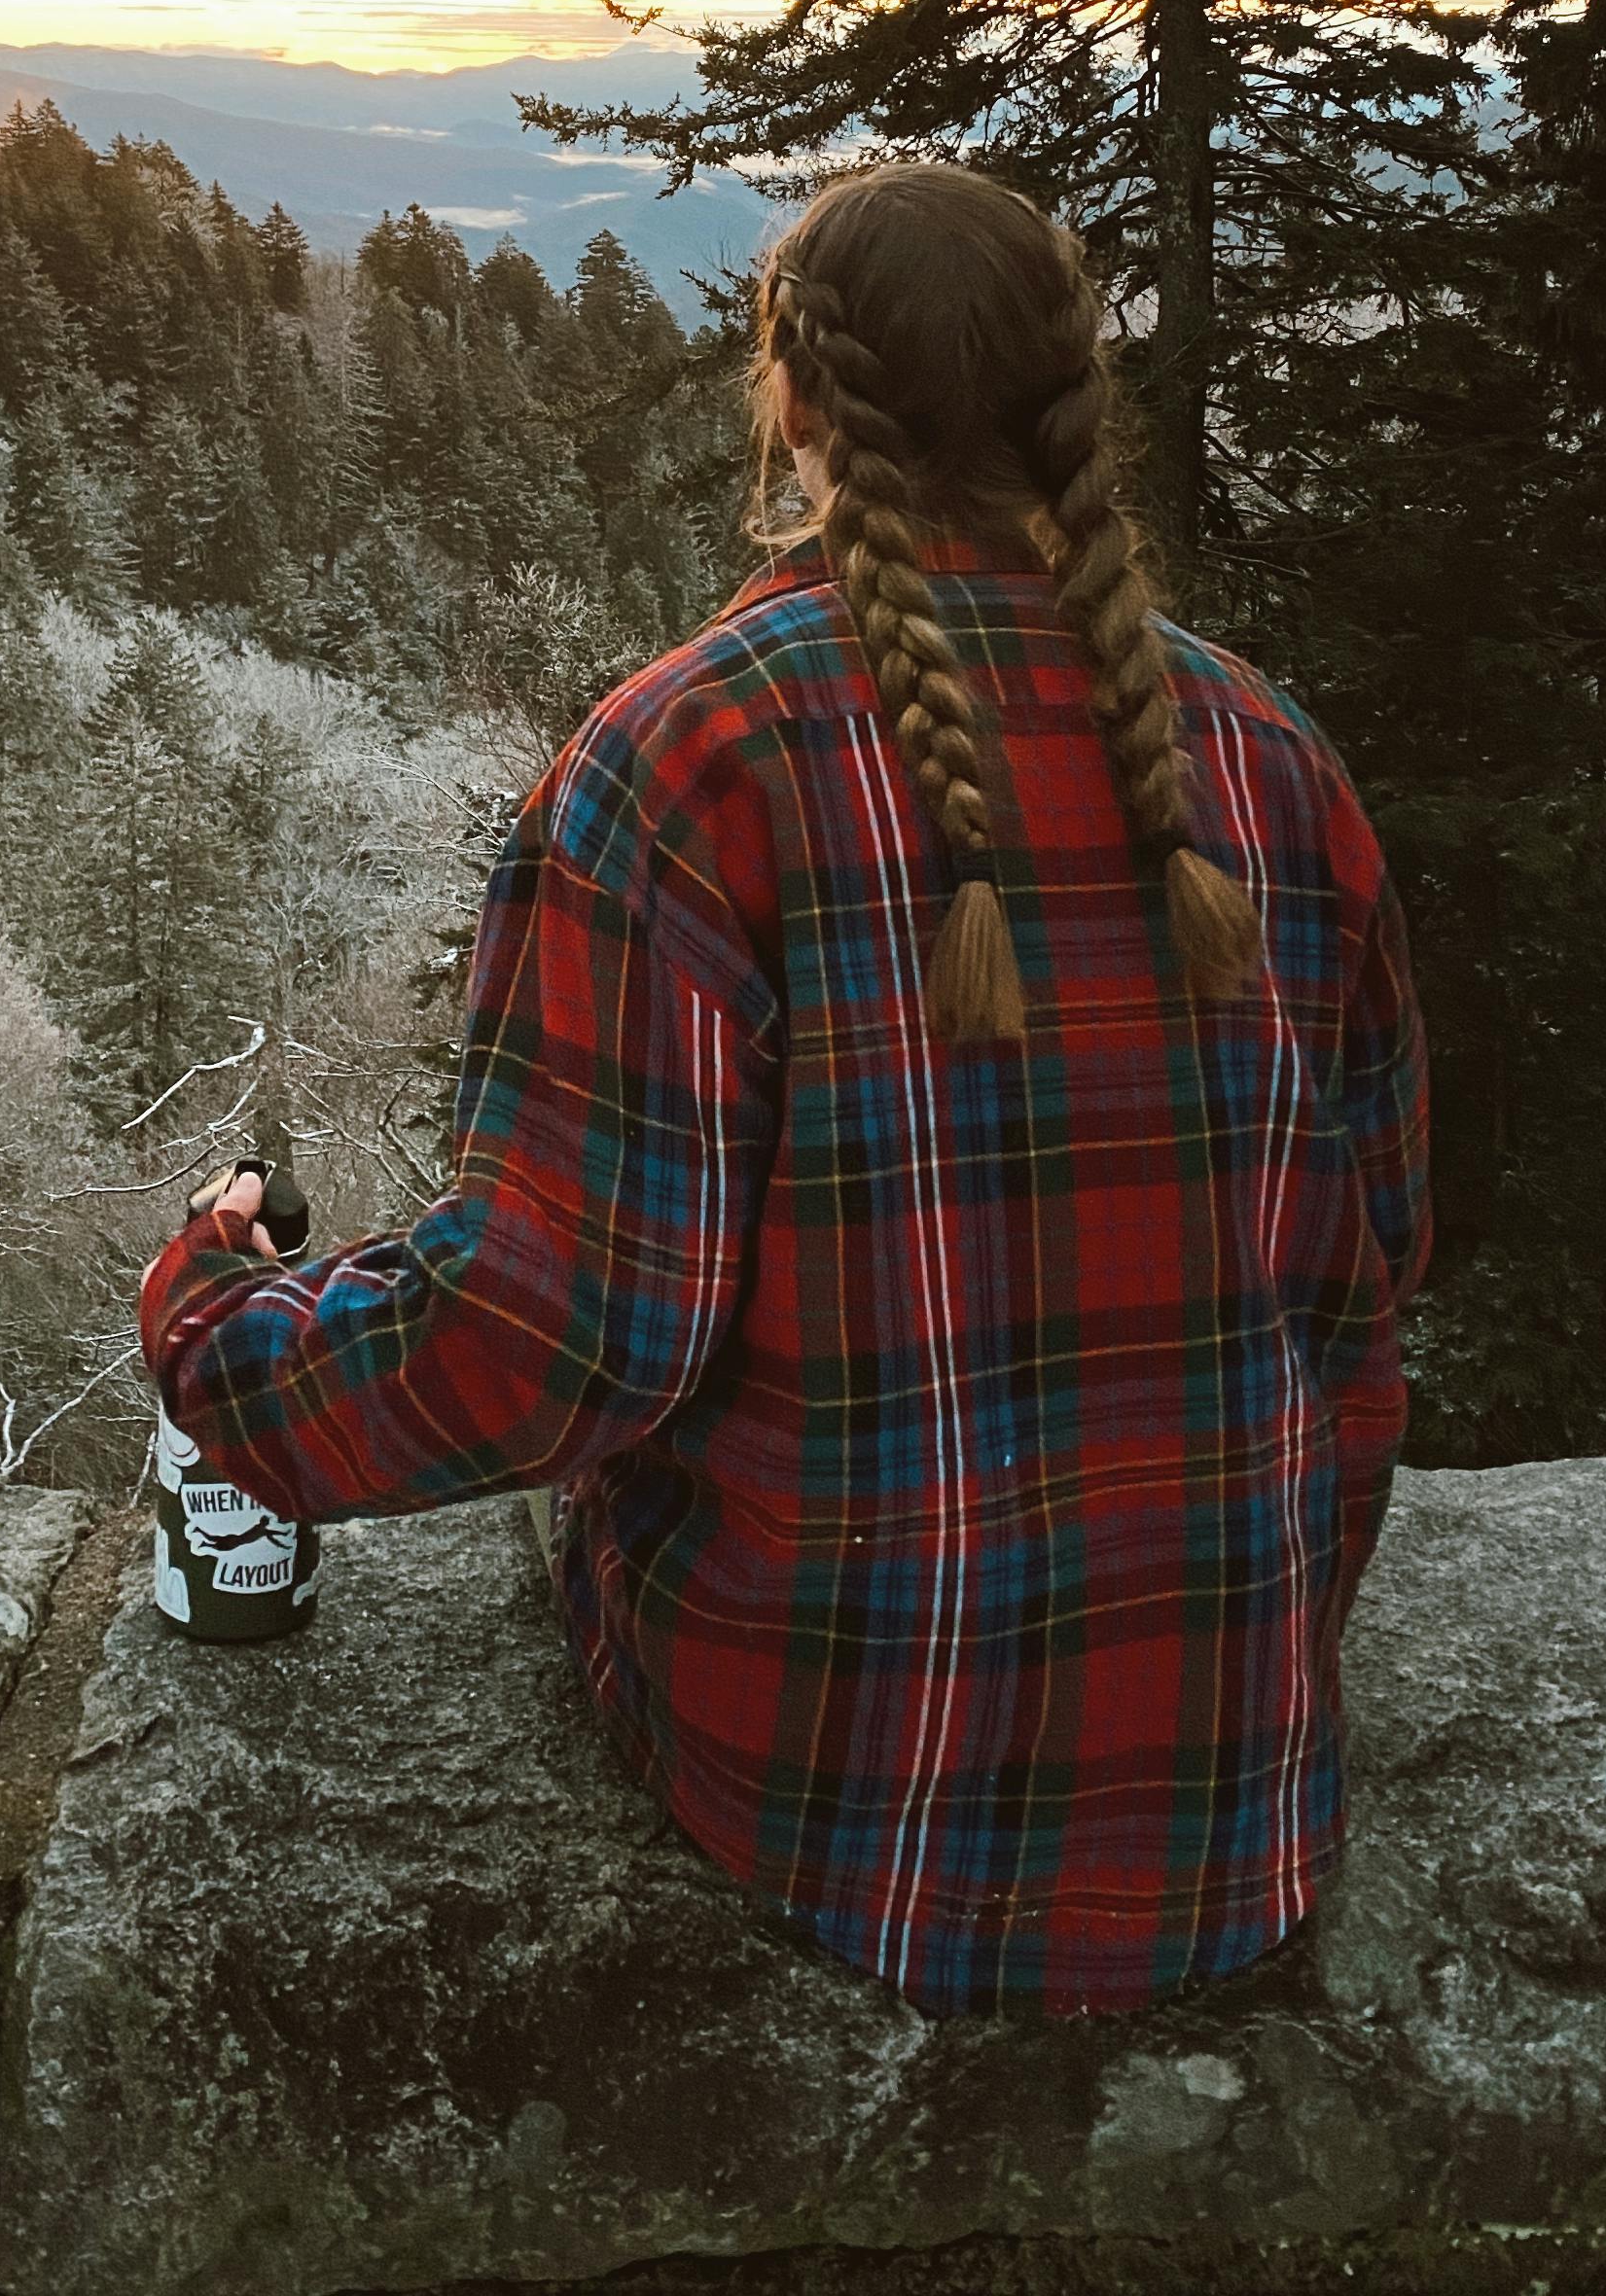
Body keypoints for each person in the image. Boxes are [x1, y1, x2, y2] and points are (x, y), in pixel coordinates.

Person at [139, 159, 1428, 2018]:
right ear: (1073, 403)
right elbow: (1380, 1256)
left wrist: (214, 1329)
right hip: (1242, 1799)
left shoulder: (693, 760)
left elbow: (546, 1347)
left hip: (842, 1796)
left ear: (795, 400)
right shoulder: (1271, 760)